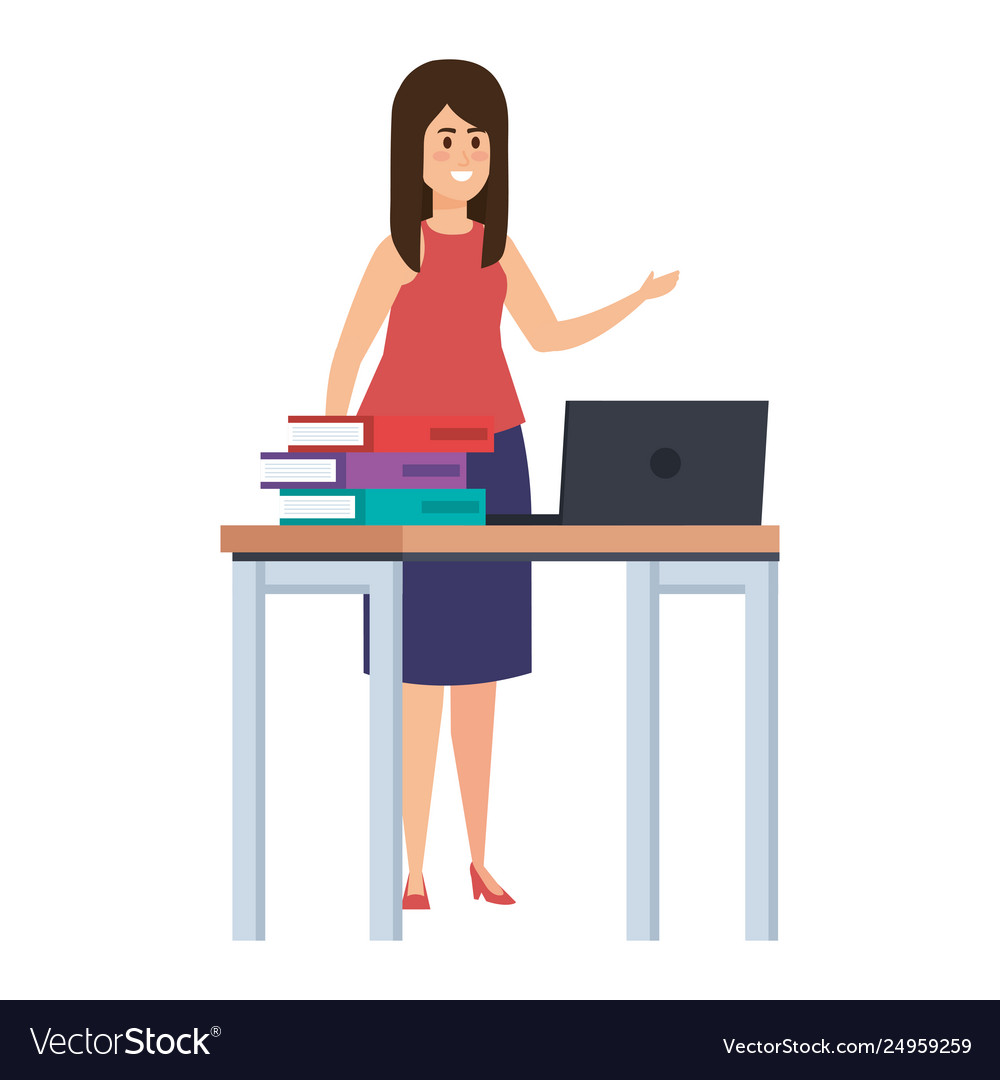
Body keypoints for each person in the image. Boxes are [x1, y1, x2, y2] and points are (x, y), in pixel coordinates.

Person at [325, 59, 679, 909]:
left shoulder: (498, 249)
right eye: (445, 137)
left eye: (476, 139)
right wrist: (337, 467)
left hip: (493, 459)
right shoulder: (394, 254)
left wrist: (633, 301)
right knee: (415, 673)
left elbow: (548, 337)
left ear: (496, 155)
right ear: (411, 153)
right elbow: (347, 358)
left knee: (478, 674)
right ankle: (412, 869)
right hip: (403, 462)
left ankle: (479, 861)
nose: (462, 154)